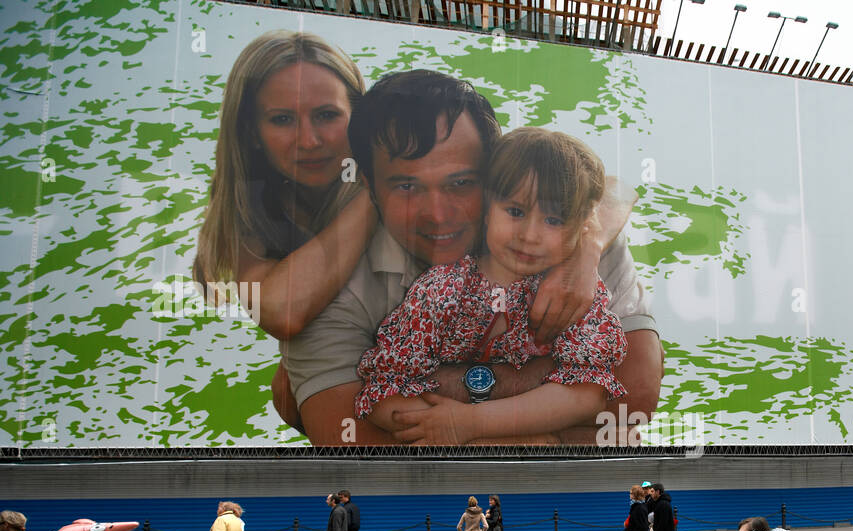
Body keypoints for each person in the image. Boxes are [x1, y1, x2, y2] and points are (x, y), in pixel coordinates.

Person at [280, 69, 662, 445]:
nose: (439, 213)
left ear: (495, 172)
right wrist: (543, 433)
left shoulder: (577, 232)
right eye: (407, 186)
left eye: (461, 183)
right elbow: (356, 442)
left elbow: (635, 395)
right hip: (444, 499)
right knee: (286, 392)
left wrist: (467, 421)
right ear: (370, 185)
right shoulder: (328, 286)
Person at [354, 127, 627, 443]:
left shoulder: (574, 297)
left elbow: (587, 394)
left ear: (582, 227)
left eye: (553, 220)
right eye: (515, 211)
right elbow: (383, 390)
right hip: (448, 455)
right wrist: (449, 429)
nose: (529, 234)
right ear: (486, 209)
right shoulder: (441, 290)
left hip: (523, 466)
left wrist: (471, 424)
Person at [191, 31, 375, 427]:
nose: (308, 141)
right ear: (251, 132)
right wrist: (378, 193)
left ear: (358, 116)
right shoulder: (248, 204)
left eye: (327, 115)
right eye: (282, 119)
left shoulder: (415, 177)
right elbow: (282, 309)